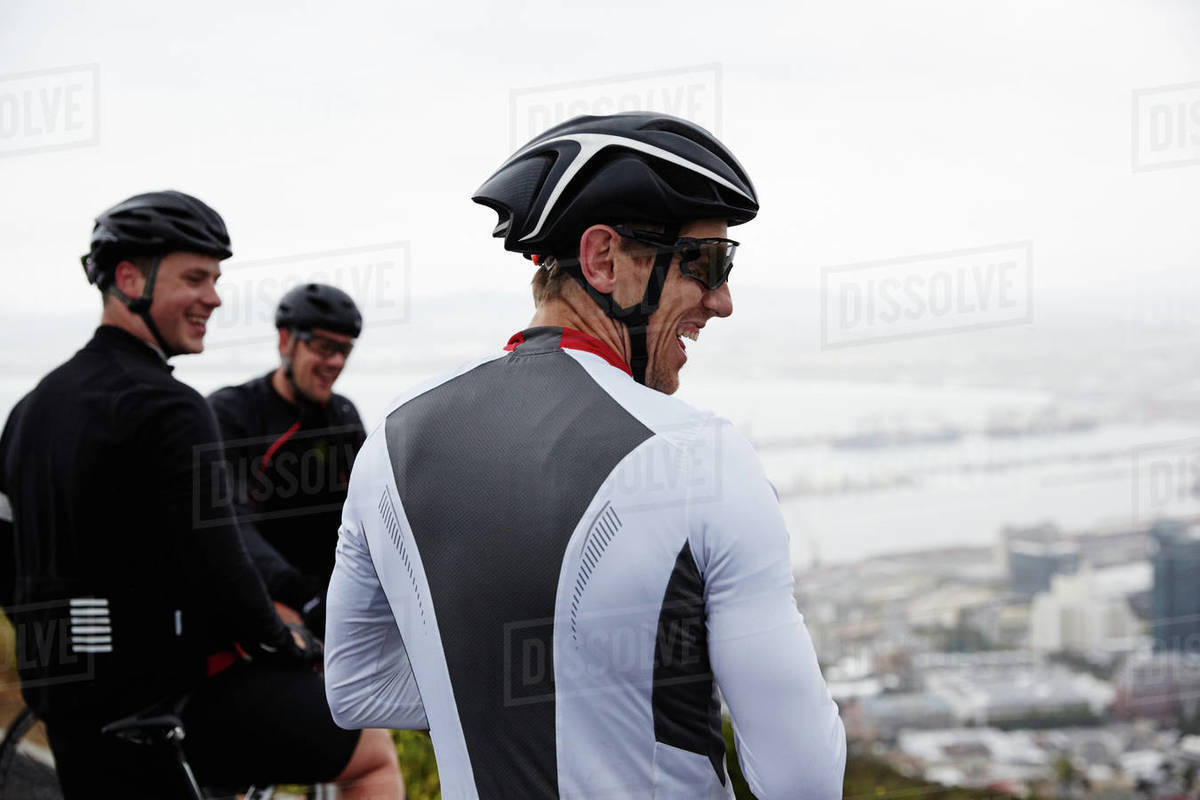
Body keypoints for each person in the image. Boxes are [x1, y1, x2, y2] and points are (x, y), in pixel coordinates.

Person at [324, 113, 846, 799]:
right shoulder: (701, 458)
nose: (721, 301)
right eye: (708, 262)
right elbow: (803, 778)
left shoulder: (391, 441)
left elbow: (356, 687)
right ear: (603, 259)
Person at [0, 190, 401, 799]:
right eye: (195, 278)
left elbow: (8, 552)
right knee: (370, 751)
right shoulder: (170, 407)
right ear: (129, 279)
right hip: (163, 703)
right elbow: (221, 560)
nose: (214, 298)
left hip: (68, 707)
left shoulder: (31, 408)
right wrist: (283, 640)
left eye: (215, 280)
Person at [208, 283, 367, 638]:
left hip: (331, 602)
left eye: (344, 350)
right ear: (285, 341)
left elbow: (370, 514)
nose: (336, 362)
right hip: (263, 595)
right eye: (324, 347)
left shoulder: (343, 416)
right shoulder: (233, 413)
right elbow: (229, 523)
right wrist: (300, 595)